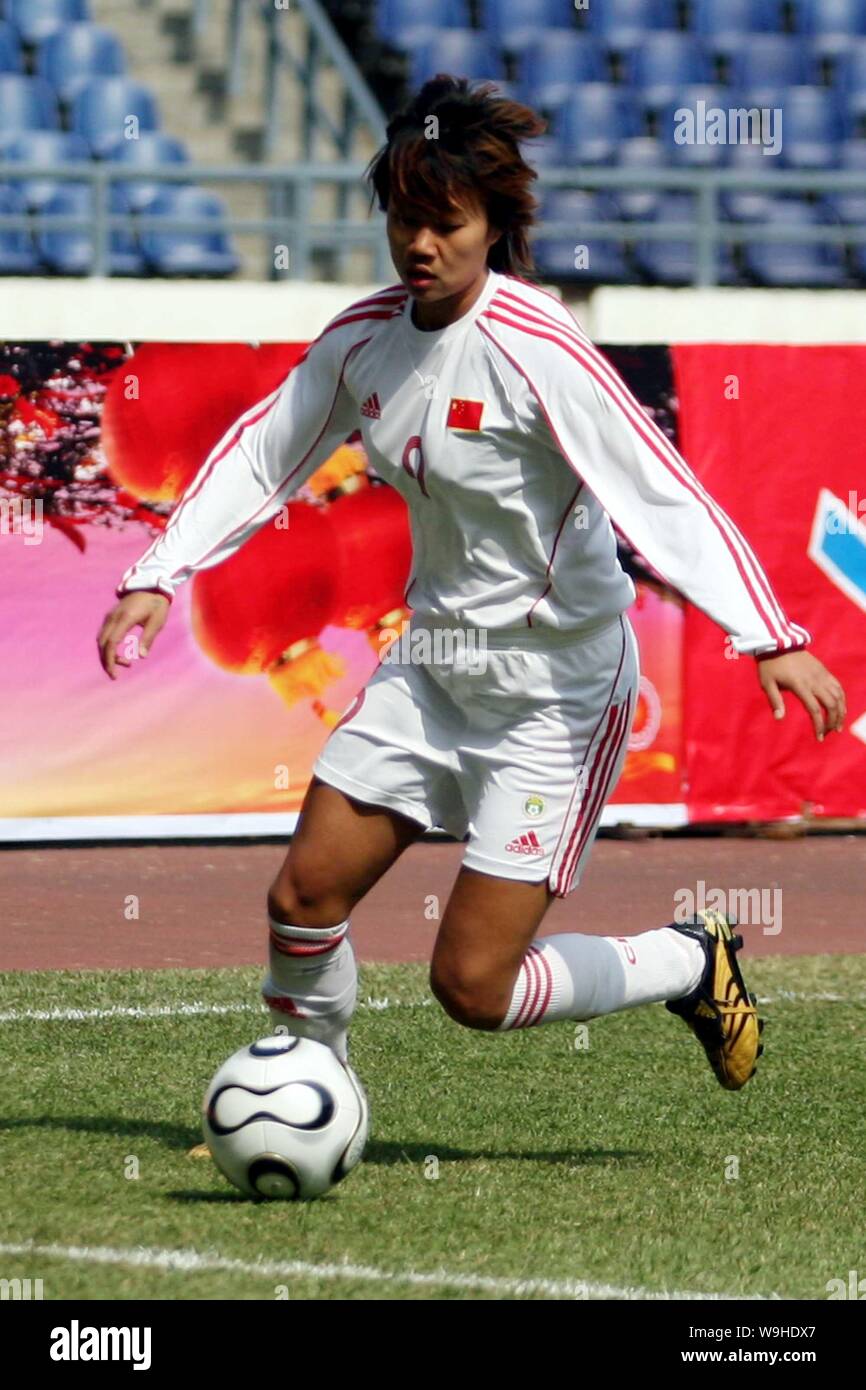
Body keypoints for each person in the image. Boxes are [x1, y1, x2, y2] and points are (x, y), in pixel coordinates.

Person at [97, 76, 846, 1099]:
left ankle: (687, 957)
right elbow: (260, 452)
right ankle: (308, 1091)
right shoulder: (364, 337)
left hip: (554, 695)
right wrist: (156, 573)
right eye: (406, 219)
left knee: (472, 985)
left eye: (445, 222)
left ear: (492, 225)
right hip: (431, 671)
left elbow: (657, 492)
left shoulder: (539, 349)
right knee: (304, 892)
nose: (420, 243)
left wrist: (767, 633)